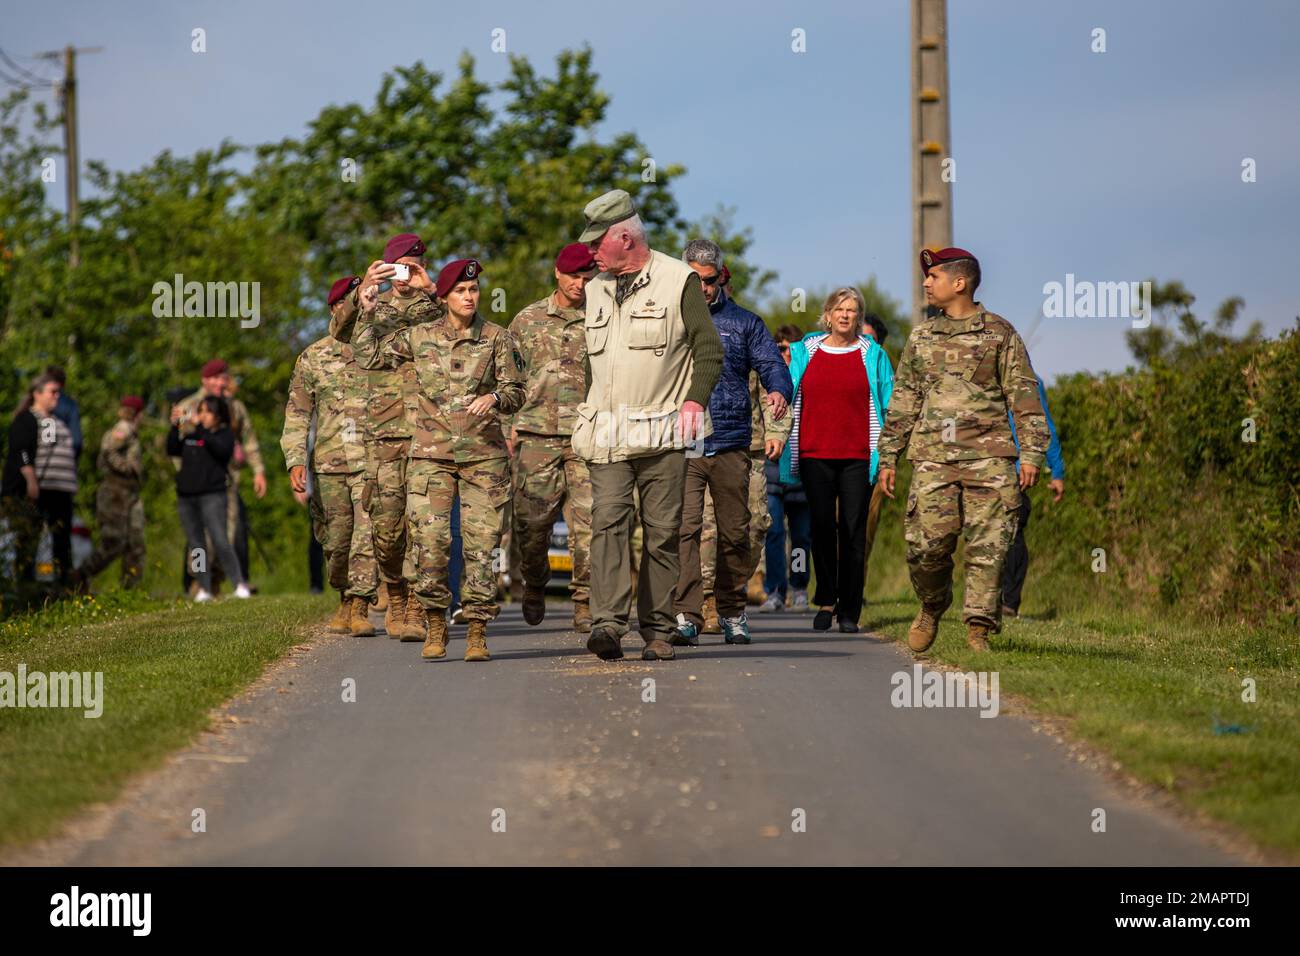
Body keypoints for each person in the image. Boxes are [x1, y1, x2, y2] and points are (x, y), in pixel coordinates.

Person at [571, 189, 724, 662]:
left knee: (662, 532)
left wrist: (695, 402)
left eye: (598, 243)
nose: (590, 253)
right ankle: (607, 625)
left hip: (662, 433)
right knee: (608, 523)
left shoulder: (678, 281)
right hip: (610, 434)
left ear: (624, 237)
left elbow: (709, 349)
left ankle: (657, 631)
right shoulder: (595, 288)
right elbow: (596, 368)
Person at [352, 257, 525, 662]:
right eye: (461, 291)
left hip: (484, 458)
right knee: (430, 544)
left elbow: (517, 389)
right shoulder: (419, 336)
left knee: (482, 548)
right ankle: (434, 621)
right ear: (444, 297)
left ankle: (478, 630)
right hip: (432, 458)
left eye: (474, 290)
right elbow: (368, 356)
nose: (469, 297)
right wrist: (366, 308)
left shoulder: (497, 338)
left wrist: (496, 397)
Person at [877, 247, 1049, 653]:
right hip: (933, 458)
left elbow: (1024, 397)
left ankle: (978, 629)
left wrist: (1031, 454)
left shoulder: (1000, 334)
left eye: (933, 276)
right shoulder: (921, 338)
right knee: (926, 546)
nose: (924, 282)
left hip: (990, 459)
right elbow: (904, 401)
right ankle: (932, 605)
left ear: (960, 283)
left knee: (989, 547)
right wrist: (888, 457)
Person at [672, 239, 790, 647]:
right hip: (682, 444)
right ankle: (687, 614)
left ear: (720, 277)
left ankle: (732, 611)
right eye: (694, 280)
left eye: (708, 280)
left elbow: (771, 363)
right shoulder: (670, 319)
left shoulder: (744, 322)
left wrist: (778, 389)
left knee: (737, 531)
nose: (702, 289)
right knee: (685, 531)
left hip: (732, 440)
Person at [331, 234, 443, 639]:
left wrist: (430, 291)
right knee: (388, 524)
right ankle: (393, 587)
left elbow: (458, 332)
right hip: (385, 429)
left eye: (414, 265)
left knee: (423, 522)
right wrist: (363, 298)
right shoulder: (373, 304)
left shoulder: (435, 301)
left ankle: (413, 605)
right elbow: (340, 333)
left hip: (432, 429)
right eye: (401, 266)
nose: (406, 274)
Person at [781, 287, 894, 632]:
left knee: (853, 531)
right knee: (821, 529)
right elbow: (785, 397)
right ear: (827, 315)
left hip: (859, 455)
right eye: (839, 309)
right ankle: (826, 600)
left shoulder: (872, 355)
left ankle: (849, 609)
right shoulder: (805, 352)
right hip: (815, 453)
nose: (845, 315)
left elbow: (890, 406)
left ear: (859, 318)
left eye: (853, 310)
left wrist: (888, 456)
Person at [507, 242, 599, 632]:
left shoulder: (602, 318)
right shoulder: (525, 321)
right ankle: (534, 582)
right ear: (557, 275)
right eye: (573, 276)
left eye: (586, 277)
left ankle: (585, 602)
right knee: (531, 528)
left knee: (591, 525)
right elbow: (505, 381)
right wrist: (504, 430)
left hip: (586, 435)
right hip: (535, 437)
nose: (580, 284)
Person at [282, 275, 379, 636]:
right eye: (351, 301)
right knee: (336, 543)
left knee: (366, 536)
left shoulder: (377, 349)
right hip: (329, 464)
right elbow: (297, 413)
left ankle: (359, 606)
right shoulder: (313, 358)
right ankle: (343, 594)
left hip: (371, 463)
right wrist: (295, 459)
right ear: (337, 308)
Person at [173, 358, 266, 594]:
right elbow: (176, 443)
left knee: (227, 533)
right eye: (214, 377)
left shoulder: (234, 406)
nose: (220, 381)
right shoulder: (189, 405)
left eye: (223, 377)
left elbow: (249, 440)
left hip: (226, 479)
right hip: (198, 483)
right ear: (205, 380)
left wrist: (259, 472)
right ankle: (197, 581)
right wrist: (185, 472)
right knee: (201, 537)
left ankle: (218, 580)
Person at [167, 395, 251, 602]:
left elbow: (220, 450)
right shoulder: (191, 436)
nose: (202, 415)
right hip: (187, 497)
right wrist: (174, 427)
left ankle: (239, 583)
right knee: (196, 545)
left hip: (212, 495)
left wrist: (198, 426)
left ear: (218, 415)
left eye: (207, 411)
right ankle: (203, 587)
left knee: (220, 539)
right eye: (200, 411)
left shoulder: (224, 435)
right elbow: (172, 449)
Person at [1002, 374, 1065, 618]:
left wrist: (1057, 472)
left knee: (1013, 532)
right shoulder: (981, 374)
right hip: (985, 467)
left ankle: (1009, 601)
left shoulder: (1030, 382)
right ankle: (991, 597)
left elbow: (1044, 425)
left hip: (1017, 470)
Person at [760, 325, 812, 613]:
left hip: (803, 471)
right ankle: (775, 591)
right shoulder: (765, 381)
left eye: (791, 348)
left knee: (802, 536)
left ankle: (800, 587)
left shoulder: (808, 382)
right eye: (780, 348)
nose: (785, 354)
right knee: (774, 532)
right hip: (771, 472)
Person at [75, 396, 147, 591]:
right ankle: (79, 576)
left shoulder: (130, 430)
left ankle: (131, 590)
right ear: (137, 413)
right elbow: (108, 451)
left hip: (129, 493)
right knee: (114, 542)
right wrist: (127, 468)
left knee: (135, 543)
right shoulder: (124, 428)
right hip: (116, 491)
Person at [3, 374, 65, 590]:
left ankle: (34, 586)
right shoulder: (25, 419)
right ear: (36, 394)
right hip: (20, 490)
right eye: (52, 392)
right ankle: (20, 587)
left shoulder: (47, 421)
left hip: (38, 490)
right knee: (24, 540)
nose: (57, 396)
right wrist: (31, 480)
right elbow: (21, 452)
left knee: (36, 538)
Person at [46, 366, 83, 462]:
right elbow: (77, 442)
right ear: (63, 383)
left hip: (42, 463)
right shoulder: (70, 404)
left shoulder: (41, 403)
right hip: (64, 462)